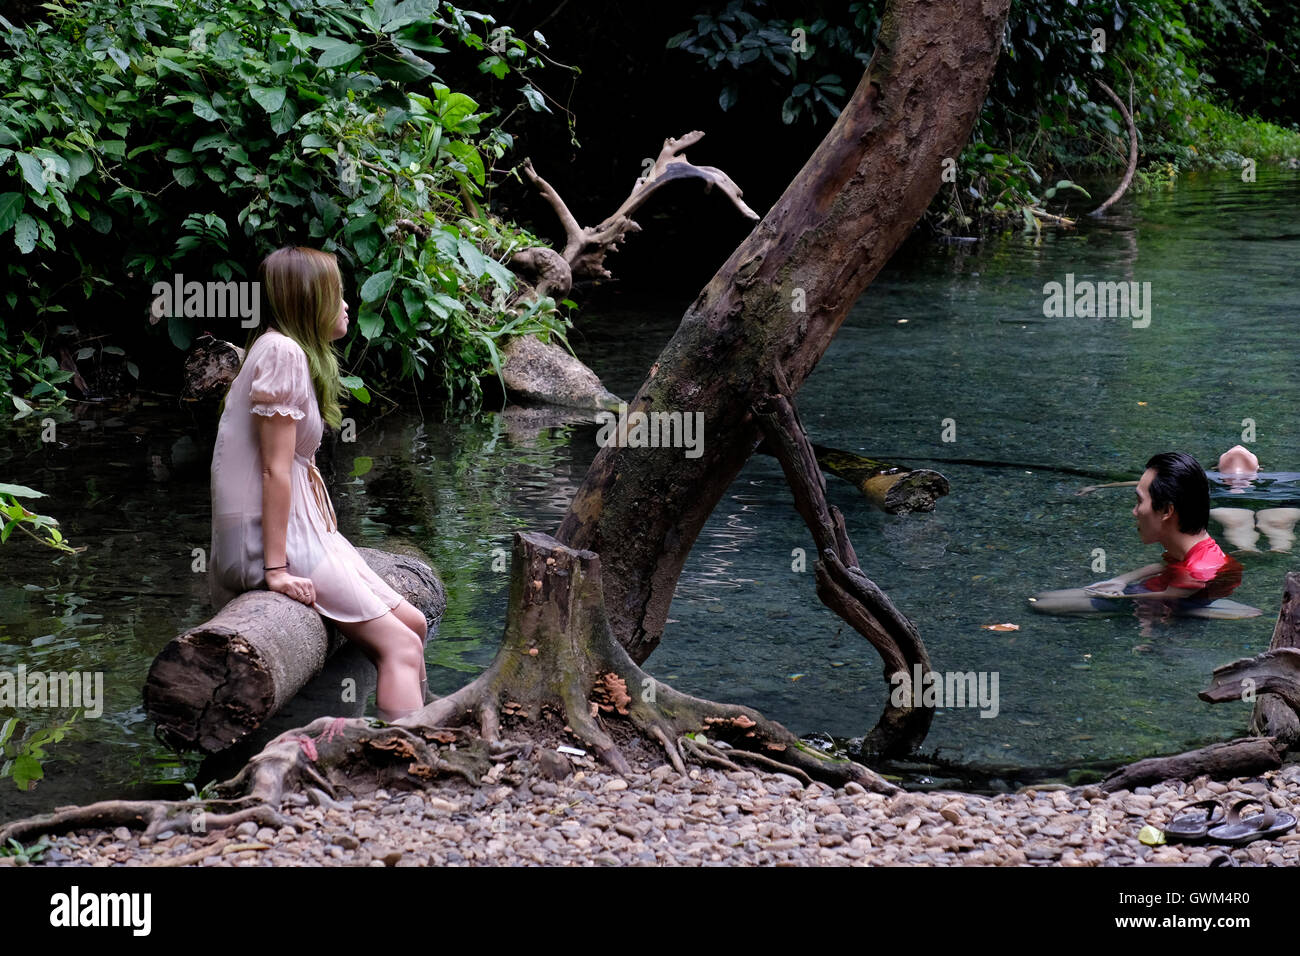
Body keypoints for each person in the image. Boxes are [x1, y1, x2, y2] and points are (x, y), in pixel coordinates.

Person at [209, 246, 429, 721]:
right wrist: (276, 570)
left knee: (414, 623)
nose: (347, 305)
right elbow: (274, 469)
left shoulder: (279, 350)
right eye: (338, 295)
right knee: (402, 649)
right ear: (310, 300)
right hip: (274, 543)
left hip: (303, 532)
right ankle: (408, 754)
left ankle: (413, 726)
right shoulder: (283, 353)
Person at [1030, 451, 1260, 619]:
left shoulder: (1199, 569)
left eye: (1139, 501)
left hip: (1149, 599)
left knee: (1041, 606)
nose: (1134, 511)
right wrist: (1121, 580)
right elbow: (1163, 565)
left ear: (1168, 511)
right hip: (1147, 591)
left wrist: (1120, 598)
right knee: (1039, 597)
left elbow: (1170, 596)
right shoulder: (1192, 546)